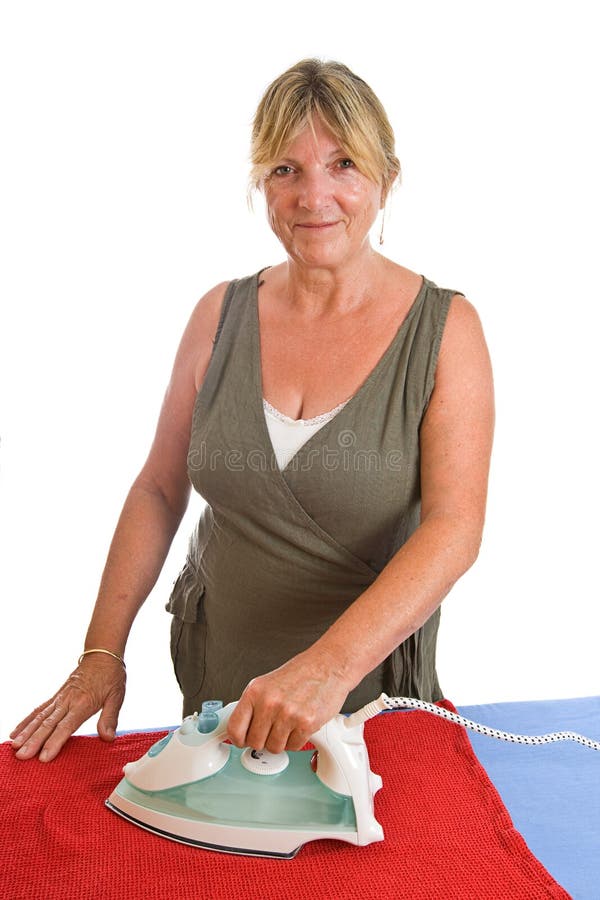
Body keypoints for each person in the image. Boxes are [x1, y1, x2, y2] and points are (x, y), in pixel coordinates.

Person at [11, 58, 494, 762]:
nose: (312, 196)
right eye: (285, 170)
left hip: (367, 700)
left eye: (343, 164)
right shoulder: (220, 313)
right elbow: (158, 487)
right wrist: (101, 652)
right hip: (217, 685)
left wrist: (327, 670)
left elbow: (455, 529)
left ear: (388, 179)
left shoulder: (447, 331)